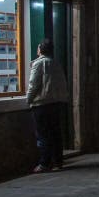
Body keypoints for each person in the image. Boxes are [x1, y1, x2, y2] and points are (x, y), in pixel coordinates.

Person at [26, 38, 69, 172]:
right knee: (56, 133)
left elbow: (33, 84)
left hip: (42, 104)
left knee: (43, 134)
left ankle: (45, 163)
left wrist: (28, 99)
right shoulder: (56, 63)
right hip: (57, 103)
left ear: (40, 50)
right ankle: (58, 161)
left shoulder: (39, 64)